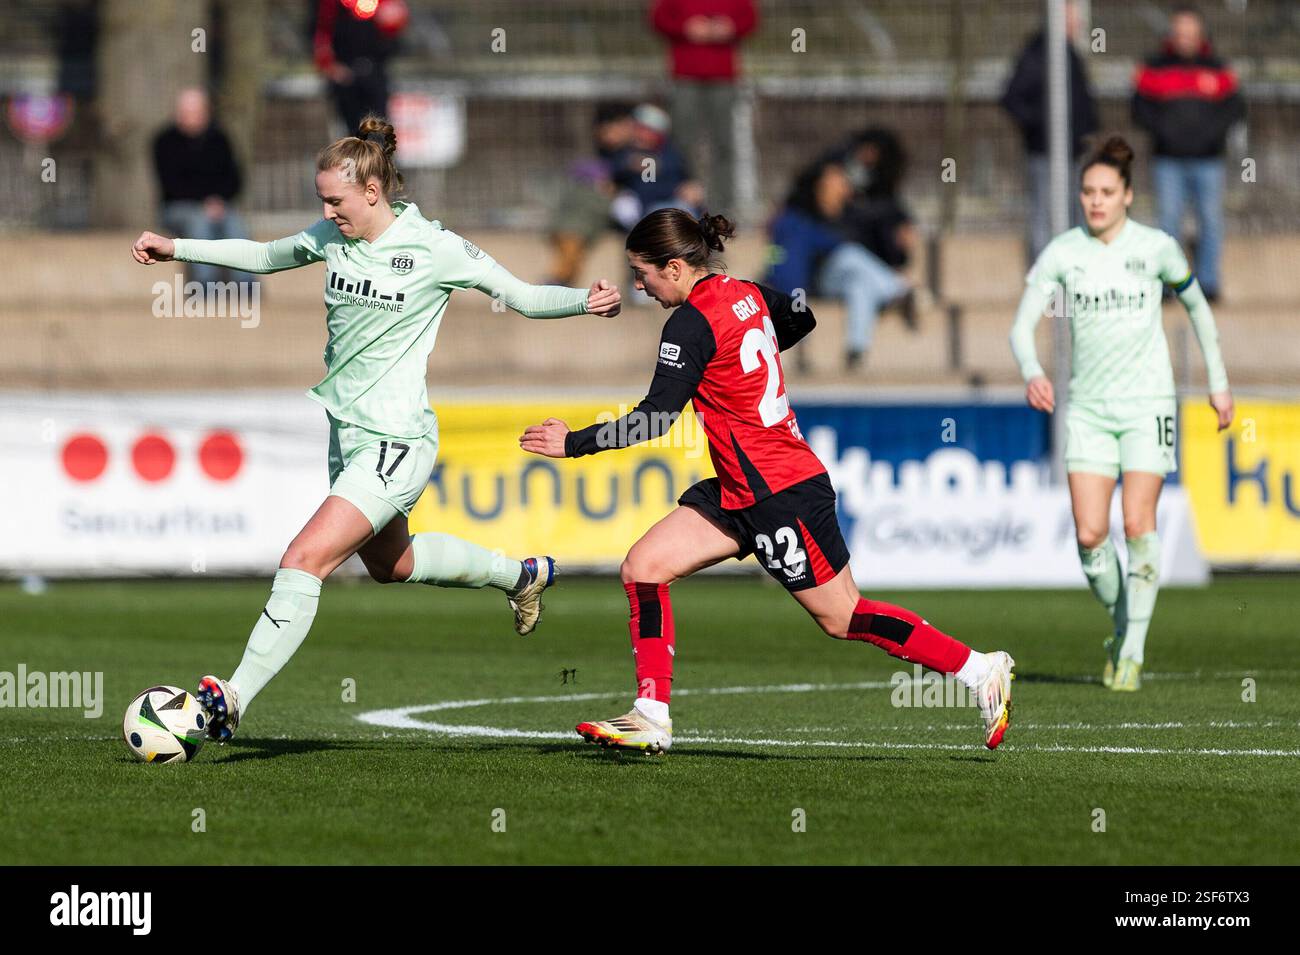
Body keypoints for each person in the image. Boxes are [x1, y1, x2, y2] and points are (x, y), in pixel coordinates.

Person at [131, 116, 622, 742]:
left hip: (398, 442)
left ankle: (232, 697)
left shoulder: (434, 246)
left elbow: (521, 296)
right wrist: (179, 247)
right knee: (393, 564)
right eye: (322, 202)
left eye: (335, 200)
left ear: (371, 191)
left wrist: (587, 300)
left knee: (304, 559)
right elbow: (262, 255)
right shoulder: (330, 239)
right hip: (349, 437)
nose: (328, 211)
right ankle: (520, 575)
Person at [520, 208, 1015, 754]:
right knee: (643, 568)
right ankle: (650, 713)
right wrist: (745, 361)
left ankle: (978, 669)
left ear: (677, 267)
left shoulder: (688, 323)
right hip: (740, 489)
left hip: (781, 491)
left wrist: (574, 443)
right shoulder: (747, 293)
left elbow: (655, 418)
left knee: (843, 616)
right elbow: (801, 318)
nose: (639, 285)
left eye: (643, 273)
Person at [1009, 135, 1233, 692]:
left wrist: (1219, 384)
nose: (1096, 201)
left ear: (1128, 195)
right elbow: (1020, 324)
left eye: (1107, 192)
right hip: (1086, 410)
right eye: (1088, 191)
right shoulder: (1063, 253)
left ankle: (1131, 651)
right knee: (1090, 535)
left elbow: (1200, 312)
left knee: (1136, 524)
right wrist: (1033, 370)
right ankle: (1121, 622)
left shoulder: (1156, 248)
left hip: (1148, 405)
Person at [1132, 4, 1245, 302]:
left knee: (1210, 220)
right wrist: (1165, 133)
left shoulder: (1218, 67)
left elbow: (1235, 108)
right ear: (1172, 33)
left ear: (1200, 33)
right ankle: (1170, 283)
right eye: (1179, 32)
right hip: (1167, 159)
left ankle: (1207, 285)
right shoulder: (1153, 66)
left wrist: (1210, 136)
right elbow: (1139, 108)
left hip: (1209, 160)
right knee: (1169, 221)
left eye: (1190, 32)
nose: (1185, 38)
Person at [765, 158, 910, 370]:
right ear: (819, 185)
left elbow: (883, 249)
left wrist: (900, 244)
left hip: (850, 279)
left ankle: (856, 351)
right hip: (822, 280)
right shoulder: (806, 215)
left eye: (841, 181)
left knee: (860, 286)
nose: (839, 185)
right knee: (849, 254)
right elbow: (782, 256)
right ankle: (899, 288)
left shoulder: (854, 214)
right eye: (833, 180)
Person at [1000, 0, 1099, 264]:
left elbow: (1082, 103)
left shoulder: (1071, 53)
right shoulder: (1036, 54)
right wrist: (1041, 129)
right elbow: (1012, 99)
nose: (1076, 22)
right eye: (1070, 17)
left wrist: (1087, 132)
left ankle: (1074, 274)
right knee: (1043, 215)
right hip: (1044, 153)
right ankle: (1044, 279)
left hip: (1074, 153)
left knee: (1077, 212)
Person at [651, 0, 757, 218]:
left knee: (723, 143)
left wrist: (730, 27)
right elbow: (658, 18)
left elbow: (750, 19)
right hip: (685, 77)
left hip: (723, 77)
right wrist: (685, 27)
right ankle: (682, 203)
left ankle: (723, 208)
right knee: (682, 143)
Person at [152, 87, 252, 286]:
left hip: (219, 205)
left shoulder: (219, 139)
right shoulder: (164, 142)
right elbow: (171, 184)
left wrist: (218, 201)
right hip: (178, 208)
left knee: (235, 224)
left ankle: (246, 284)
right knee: (199, 222)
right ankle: (205, 285)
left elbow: (233, 179)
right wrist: (204, 202)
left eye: (196, 113)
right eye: (186, 113)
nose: (191, 118)